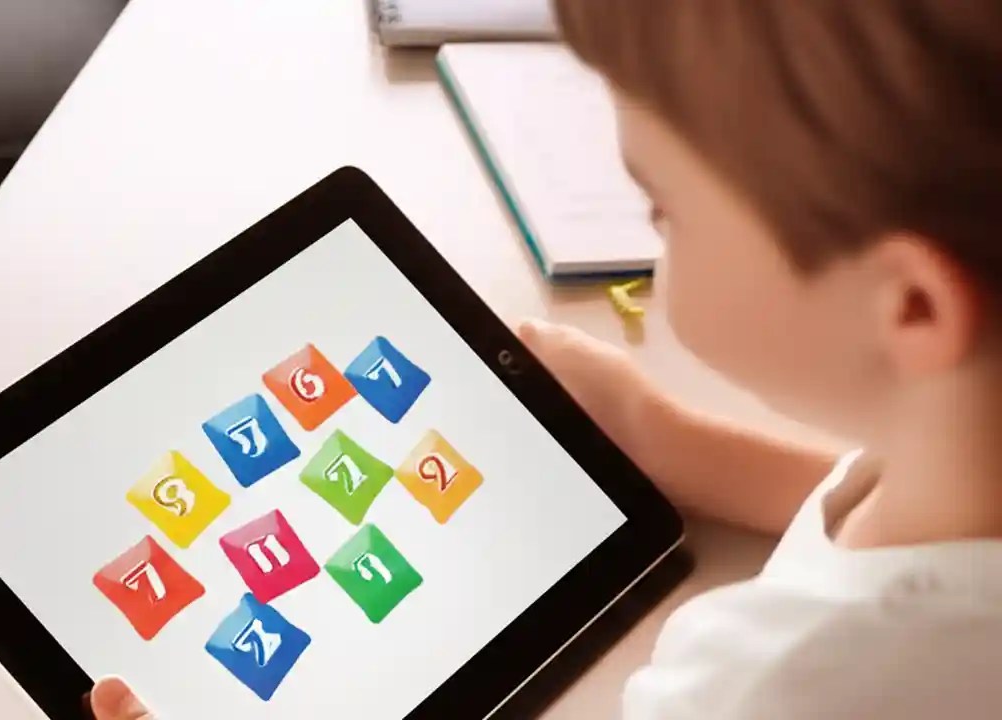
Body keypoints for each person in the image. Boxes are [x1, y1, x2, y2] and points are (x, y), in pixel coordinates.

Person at [91, 1, 1002, 717]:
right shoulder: (959, 475)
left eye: (663, 208)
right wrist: (670, 439)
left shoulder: (771, 687)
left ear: (911, 305)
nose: (653, 235)